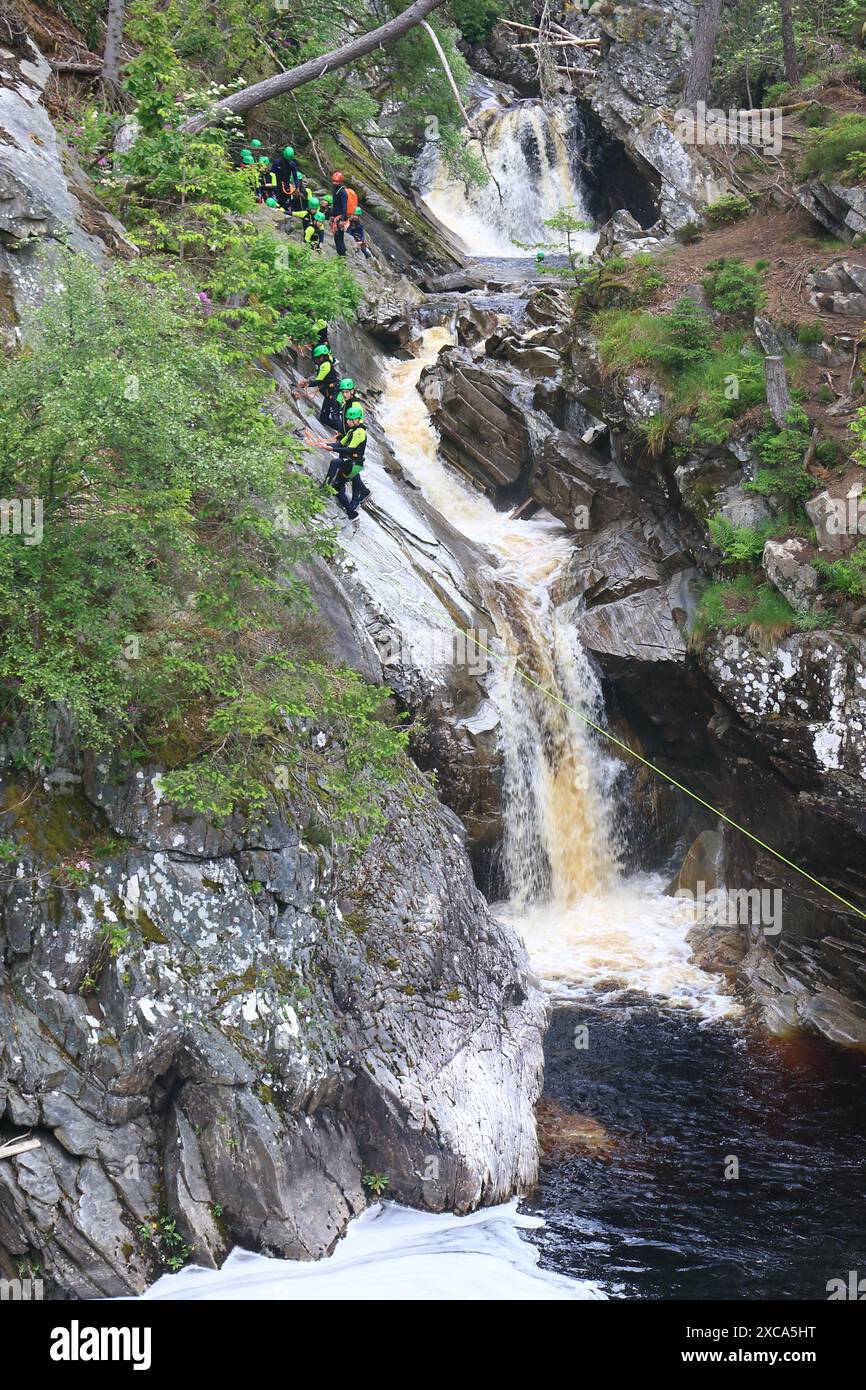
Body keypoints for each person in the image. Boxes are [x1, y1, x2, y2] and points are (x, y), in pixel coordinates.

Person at [325, 405, 369, 518]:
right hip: (350, 463)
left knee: (335, 462)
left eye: (351, 419)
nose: (348, 421)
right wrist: (325, 445)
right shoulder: (352, 431)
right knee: (337, 489)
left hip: (355, 464)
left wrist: (332, 449)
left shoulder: (359, 432)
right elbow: (340, 444)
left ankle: (325, 486)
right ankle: (352, 513)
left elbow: (350, 449)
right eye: (347, 419)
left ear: (358, 420)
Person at [301, 344, 340, 425]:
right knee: (324, 418)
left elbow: (318, 381)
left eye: (317, 358)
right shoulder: (325, 362)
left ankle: (343, 433)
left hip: (334, 393)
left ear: (322, 357)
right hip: (329, 393)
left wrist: (307, 384)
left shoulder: (325, 365)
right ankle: (340, 432)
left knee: (335, 417)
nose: (316, 360)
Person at [272, 145, 299, 210]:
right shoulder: (277, 162)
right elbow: (272, 173)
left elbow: (295, 177)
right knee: (277, 200)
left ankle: (285, 212)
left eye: (288, 159)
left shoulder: (292, 164)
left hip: (286, 185)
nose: (287, 161)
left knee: (286, 202)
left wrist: (297, 187)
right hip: (277, 184)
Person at [330, 171, 348, 256]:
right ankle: (341, 253)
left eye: (336, 181)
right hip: (336, 217)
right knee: (337, 237)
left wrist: (342, 220)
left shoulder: (342, 192)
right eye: (334, 181)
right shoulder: (336, 190)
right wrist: (332, 216)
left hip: (340, 218)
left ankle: (342, 256)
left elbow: (344, 207)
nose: (335, 183)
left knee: (339, 238)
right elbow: (335, 205)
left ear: (340, 181)